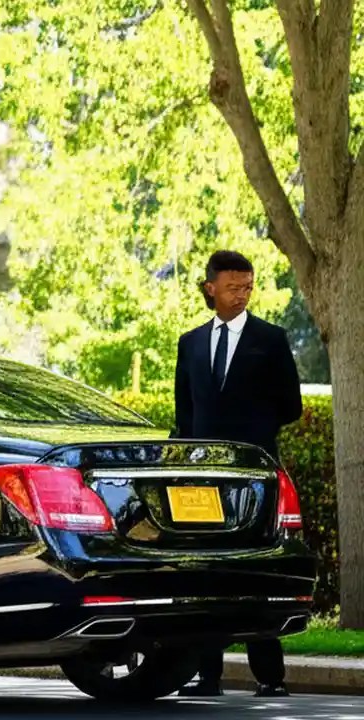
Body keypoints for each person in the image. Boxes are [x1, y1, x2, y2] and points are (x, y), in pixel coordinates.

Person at [172, 250, 303, 698]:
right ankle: (205, 675)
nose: (241, 294)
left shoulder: (271, 339)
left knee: (255, 574)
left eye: (247, 287)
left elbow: (291, 406)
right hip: (202, 478)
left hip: (253, 474)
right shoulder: (190, 343)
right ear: (211, 288)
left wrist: (254, 433)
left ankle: (270, 677)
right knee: (205, 575)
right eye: (232, 287)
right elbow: (184, 414)